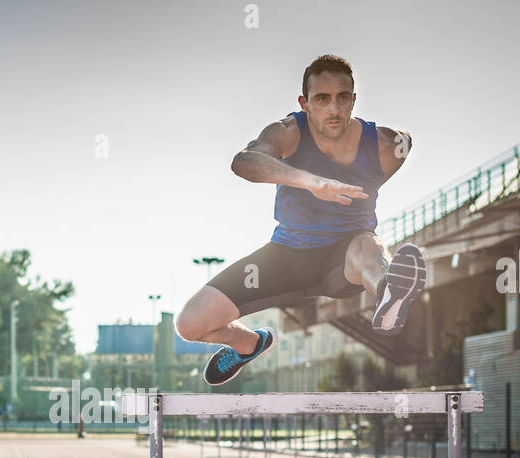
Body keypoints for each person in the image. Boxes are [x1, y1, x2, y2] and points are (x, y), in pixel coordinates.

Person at [175, 54, 425, 386]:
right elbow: (244, 162)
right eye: (322, 99)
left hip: (343, 259)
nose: (334, 109)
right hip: (285, 256)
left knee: (366, 243)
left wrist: (360, 187)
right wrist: (312, 183)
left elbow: (404, 144)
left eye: (342, 98)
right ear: (304, 103)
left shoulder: (384, 144)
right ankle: (251, 344)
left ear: (353, 99)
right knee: (189, 324)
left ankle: (388, 292)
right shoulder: (288, 133)